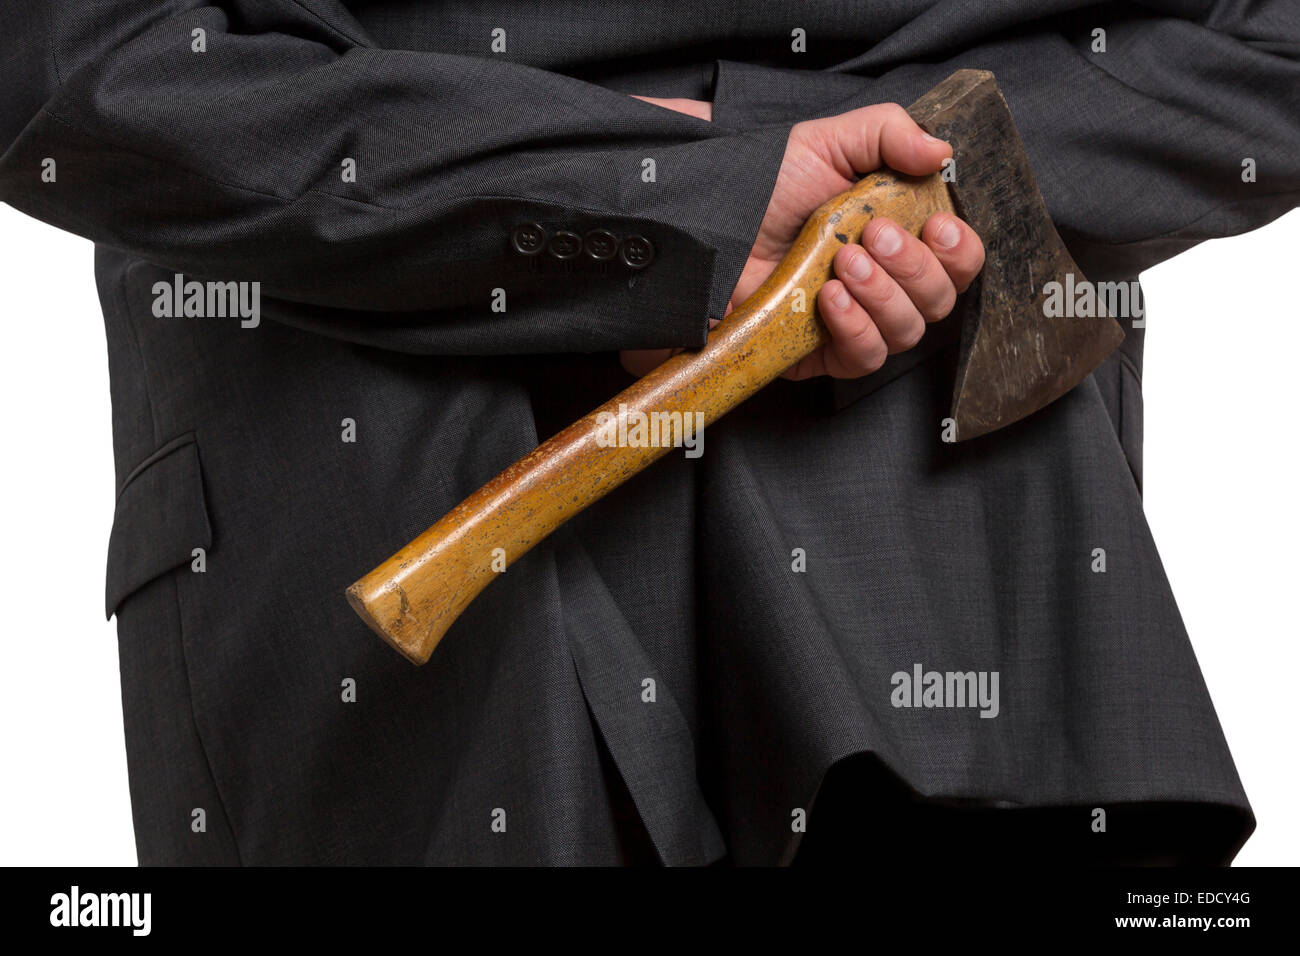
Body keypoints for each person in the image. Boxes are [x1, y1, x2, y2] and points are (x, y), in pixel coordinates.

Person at [2, 1, 1295, 865]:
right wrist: (676, 198)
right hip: (374, 485)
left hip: (957, 527)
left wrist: (744, 188)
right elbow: (69, 58)